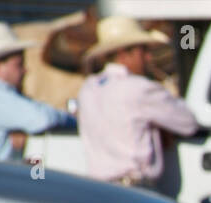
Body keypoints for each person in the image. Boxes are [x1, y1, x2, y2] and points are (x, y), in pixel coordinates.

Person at [77, 16, 198, 190]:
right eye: (143, 51)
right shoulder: (140, 89)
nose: (148, 57)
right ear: (124, 54)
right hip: (134, 186)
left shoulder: (88, 88)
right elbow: (188, 123)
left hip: (98, 190)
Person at [0, 21, 75, 162]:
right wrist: (67, 119)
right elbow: (41, 119)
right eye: (19, 64)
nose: (25, 70)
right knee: (38, 175)